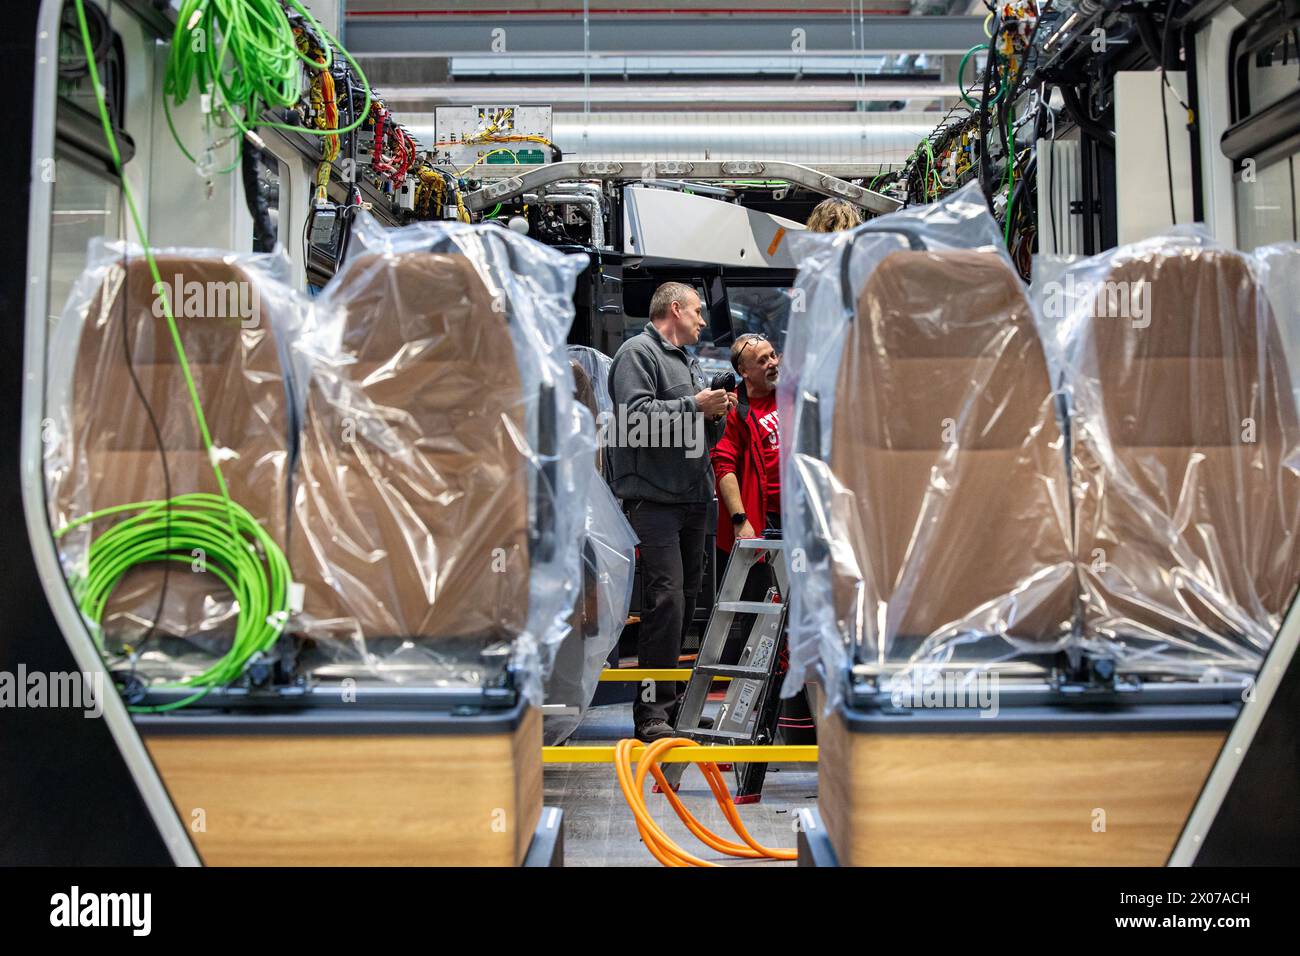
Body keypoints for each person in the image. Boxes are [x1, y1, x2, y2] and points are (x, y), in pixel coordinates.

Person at [608, 282, 734, 742]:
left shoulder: (689, 363)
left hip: (692, 498)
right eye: (698, 312)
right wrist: (693, 405)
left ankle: (673, 704)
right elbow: (633, 420)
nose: (703, 321)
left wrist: (714, 415)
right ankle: (651, 714)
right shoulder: (636, 354)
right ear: (675, 309)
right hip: (654, 500)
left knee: (685, 607)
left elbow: (700, 436)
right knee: (665, 603)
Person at [710, 332, 816, 744]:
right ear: (743, 371)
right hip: (765, 524)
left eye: (774, 355)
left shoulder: (795, 395)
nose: (774, 363)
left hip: (804, 523)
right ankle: (742, 724)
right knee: (756, 626)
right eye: (763, 360)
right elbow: (724, 464)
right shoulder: (736, 412)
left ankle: (805, 721)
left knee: (806, 620)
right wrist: (740, 519)